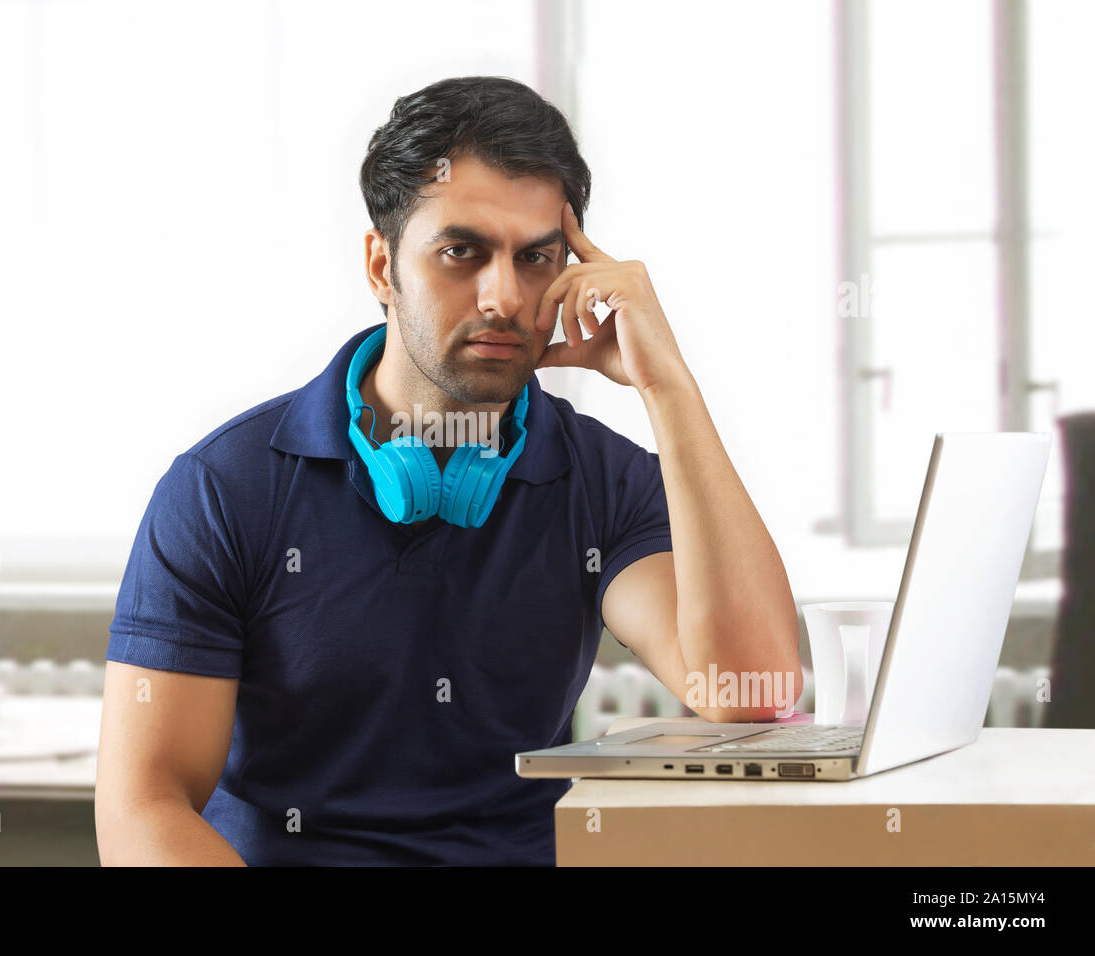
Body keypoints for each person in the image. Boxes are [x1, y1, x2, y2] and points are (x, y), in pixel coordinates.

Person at [95, 76, 801, 866]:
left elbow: (754, 693)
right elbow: (143, 807)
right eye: (461, 252)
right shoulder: (224, 491)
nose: (504, 296)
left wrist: (669, 387)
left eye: (537, 258)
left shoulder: (601, 481)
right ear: (380, 266)